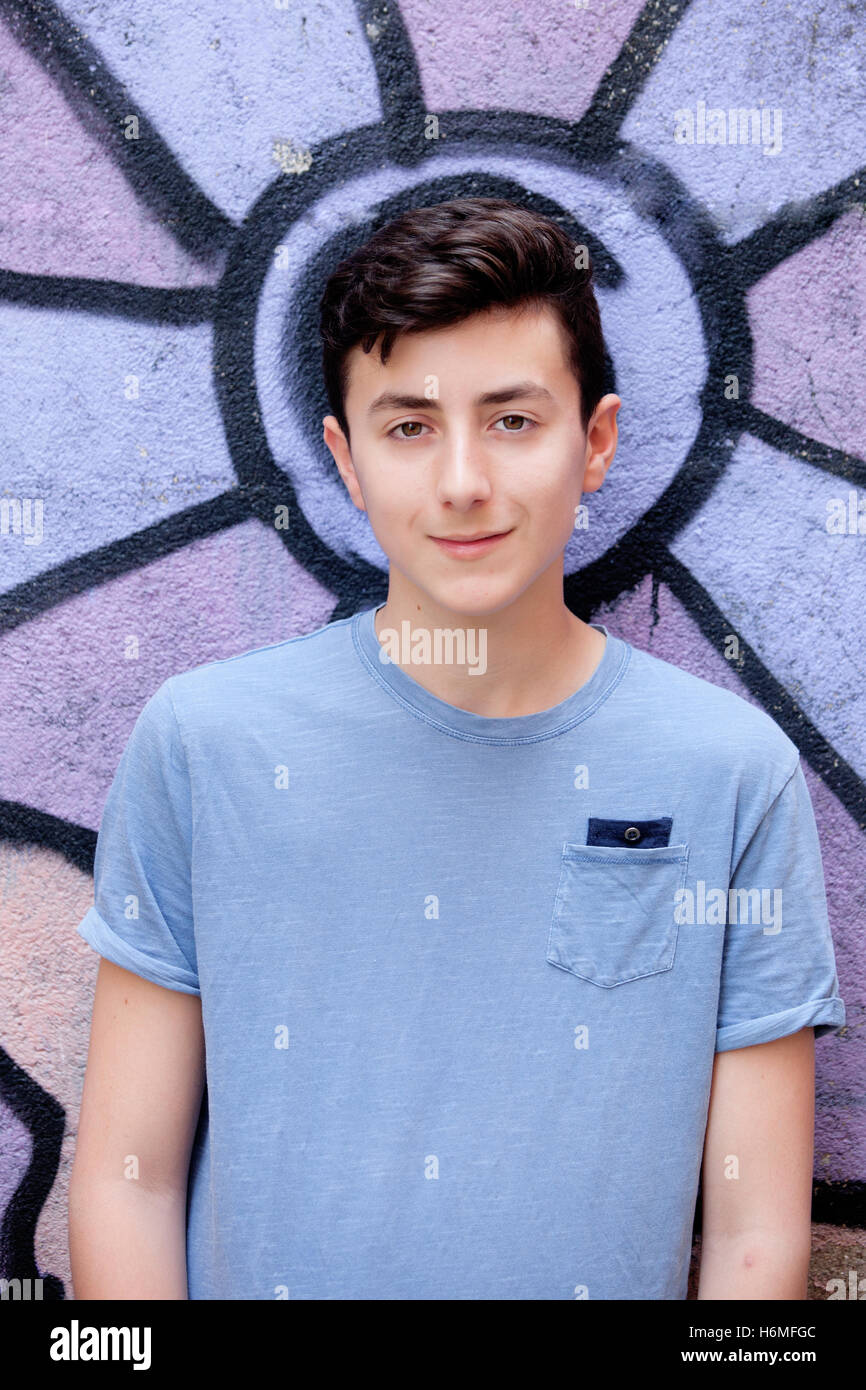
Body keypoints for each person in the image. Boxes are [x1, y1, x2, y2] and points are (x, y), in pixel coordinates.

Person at [69, 196, 845, 1300]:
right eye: (408, 426)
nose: (462, 481)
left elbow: (755, 1242)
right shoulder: (209, 743)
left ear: (597, 441)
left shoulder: (725, 771)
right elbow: (126, 1184)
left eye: (513, 420)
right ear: (344, 457)